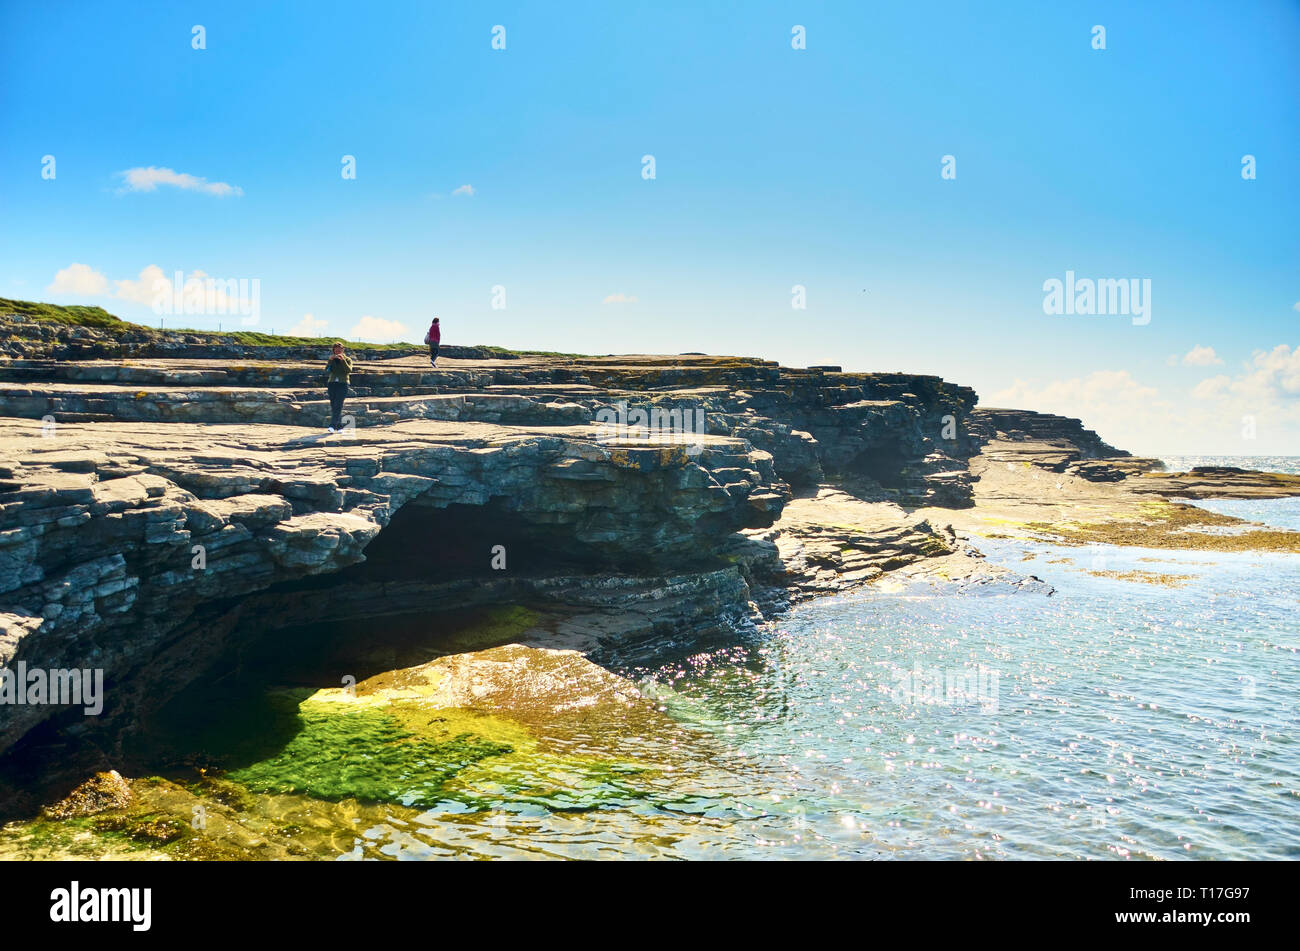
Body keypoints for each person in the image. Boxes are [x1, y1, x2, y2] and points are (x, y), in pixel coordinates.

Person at [324, 342, 352, 432]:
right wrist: (330, 361)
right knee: (333, 405)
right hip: (332, 383)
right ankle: (339, 426)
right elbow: (327, 370)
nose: (338, 352)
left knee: (338, 405)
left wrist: (342, 360)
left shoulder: (348, 359)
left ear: (343, 350)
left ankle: (332, 426)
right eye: (336, 350)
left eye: (340, 350)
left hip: (343, 384)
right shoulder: (331, 359)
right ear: (334, 351)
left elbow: (348, 370)